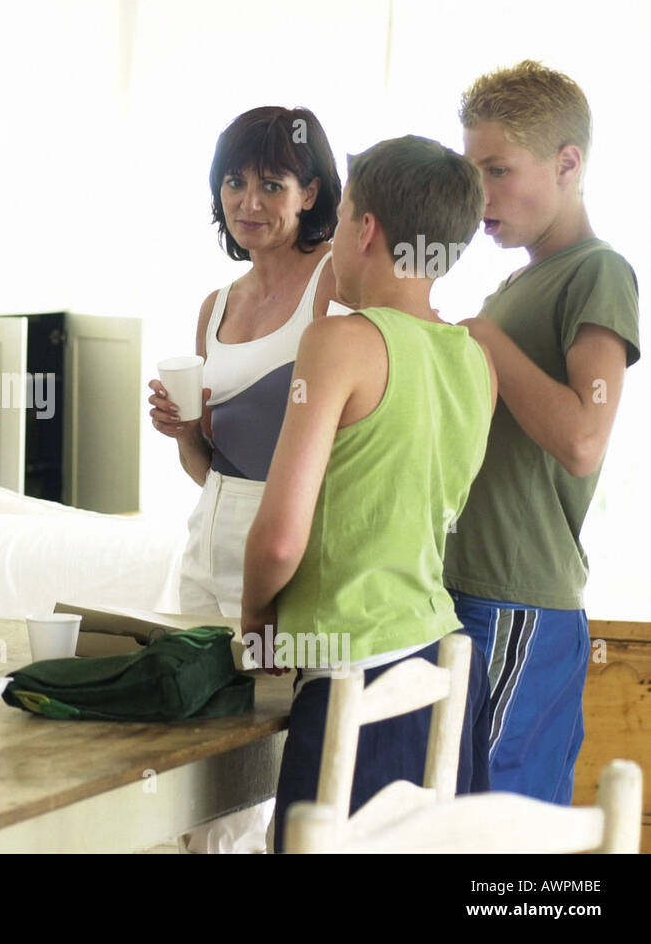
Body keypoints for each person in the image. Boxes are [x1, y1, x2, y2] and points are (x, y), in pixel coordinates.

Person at [240, 135, 499, 853]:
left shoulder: (339, 344)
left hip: (354, 666)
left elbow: (281, 536)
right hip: (445, 659)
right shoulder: (475, 360)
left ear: (365, 228)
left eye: (345, 209)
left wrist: (258, 616)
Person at [444, 61, 640, 803]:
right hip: (474, 594)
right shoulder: (516, 284)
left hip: (518, 600)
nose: (479, 196)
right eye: (471, 171)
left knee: (498, 832)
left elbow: (585, 438)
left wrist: (486, 341)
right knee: (460, 818)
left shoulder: (599, 273)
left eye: (498, 169)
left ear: (568, 163)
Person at [148, 106, 342, 618]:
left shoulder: (334, 279)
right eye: (234, 182)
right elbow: (206, 471)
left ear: (311, 193)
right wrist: (186, 431)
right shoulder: (216, 306)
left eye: (273, 186)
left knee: (274, 697)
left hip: (290, 548)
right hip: (207, 544)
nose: (248, 203)